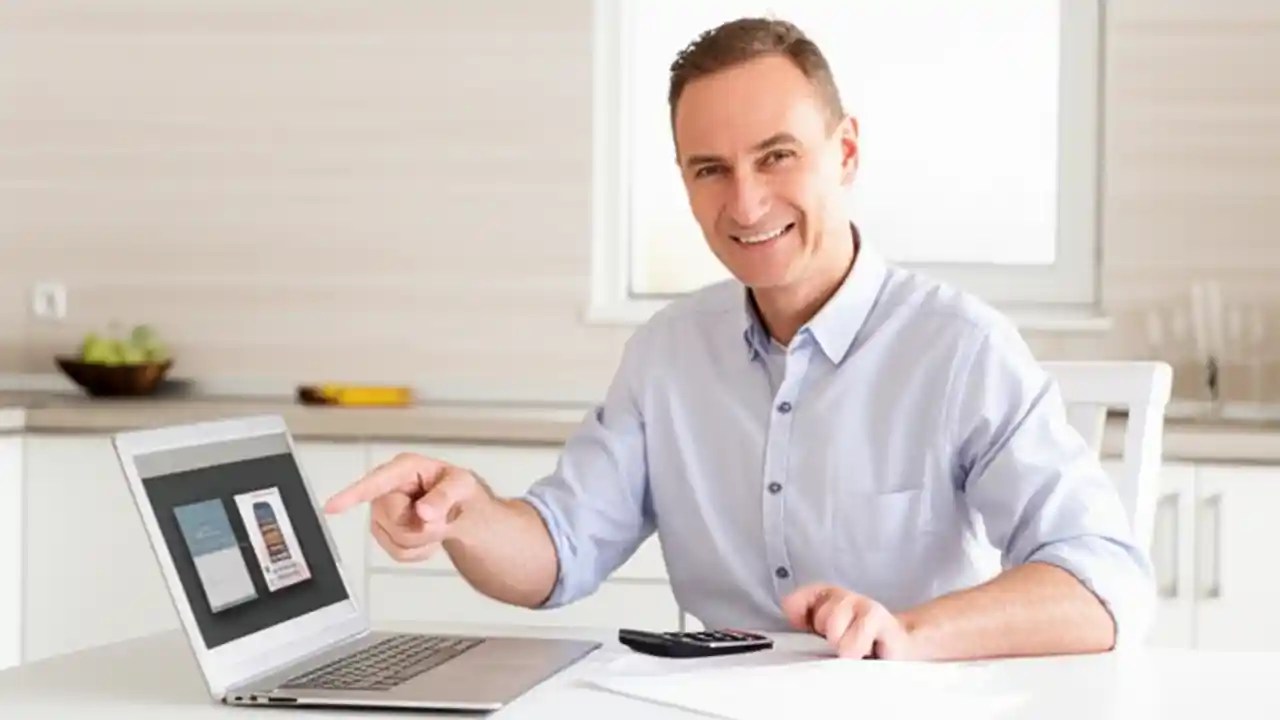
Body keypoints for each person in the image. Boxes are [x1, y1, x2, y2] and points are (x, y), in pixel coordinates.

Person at [325, 17, 1154, 661]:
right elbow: (560, 554)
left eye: (777, 156)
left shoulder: (960, 349)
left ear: (847, 152)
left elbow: (1103, 580)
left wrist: (908, 632)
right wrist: (465, 513)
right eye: (710, 169)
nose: (747, 204)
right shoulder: (667, 355)